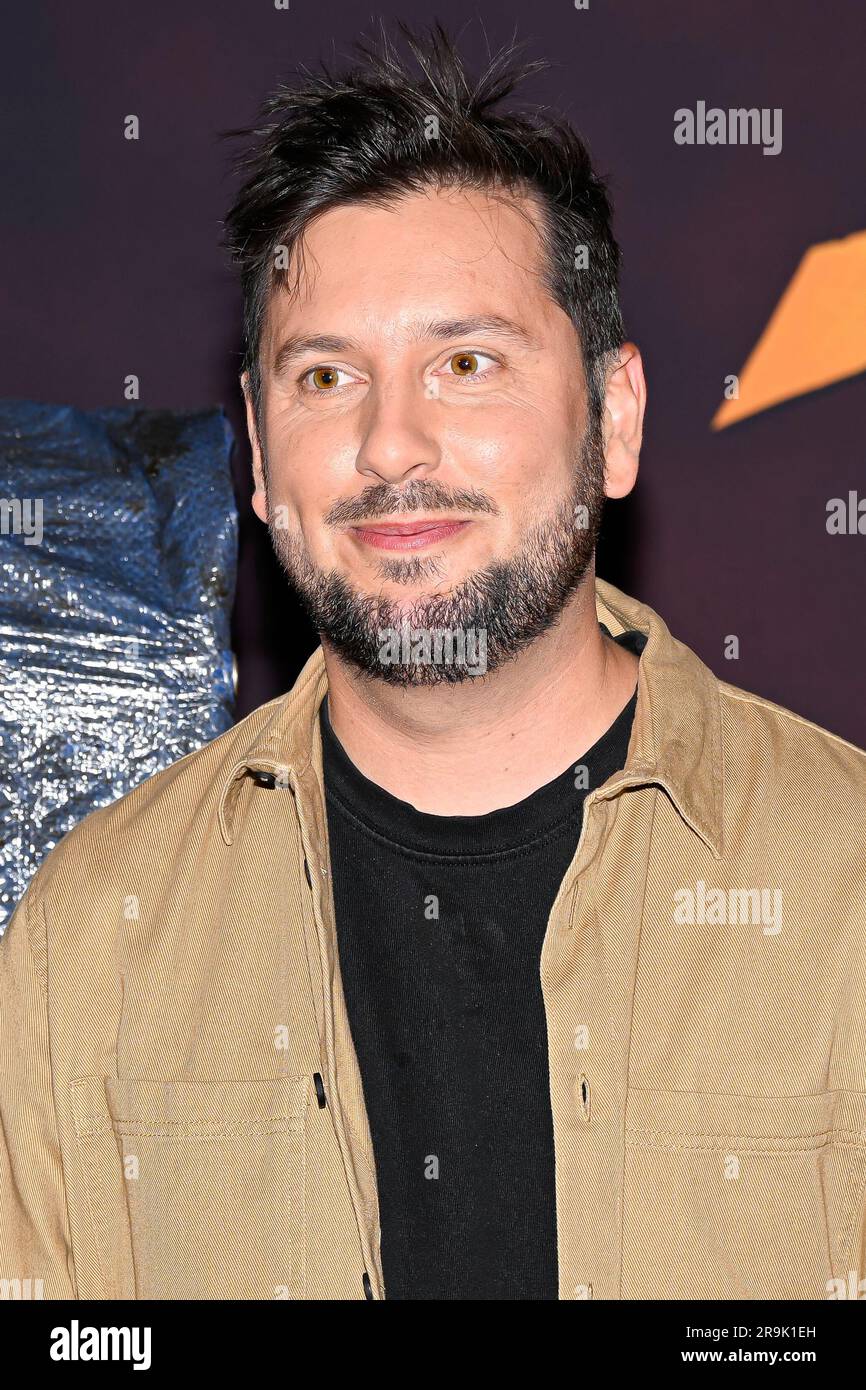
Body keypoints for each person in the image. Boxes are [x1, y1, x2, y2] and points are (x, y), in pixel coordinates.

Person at [2, 21, 865, 1303]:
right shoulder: (91, 940)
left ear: (613, 419)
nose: (390, 443)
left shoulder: (845, 888)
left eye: (465, 364)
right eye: (325, 375)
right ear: (253, 447)